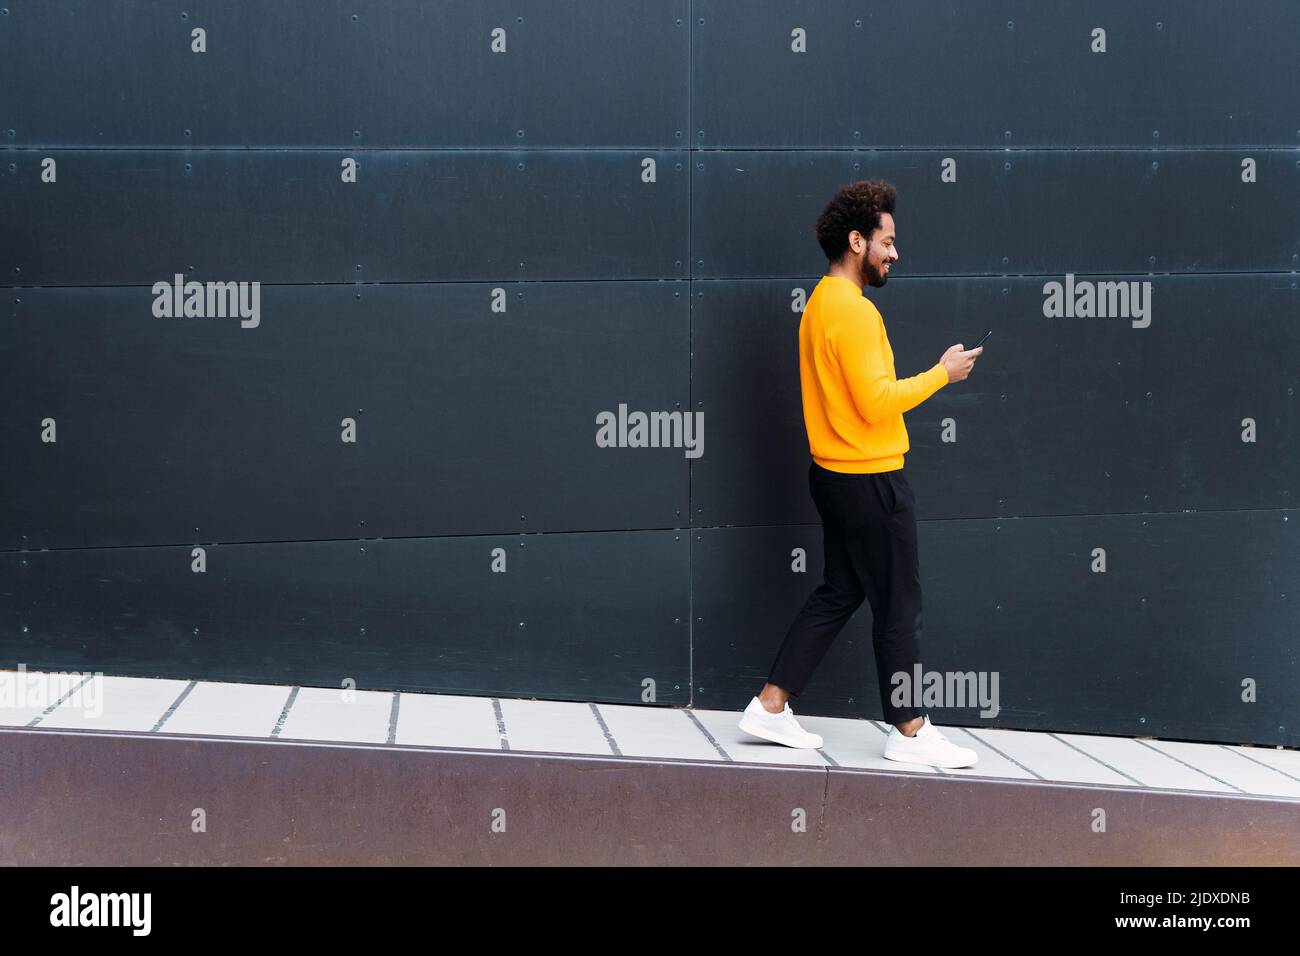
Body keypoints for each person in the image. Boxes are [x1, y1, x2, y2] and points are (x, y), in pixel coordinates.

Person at [737, 180, 981, 768]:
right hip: (871, 480)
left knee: (841, 590)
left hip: (834, 477)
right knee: (899, 603)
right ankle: (910, 729)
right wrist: (942, 374)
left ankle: (769, 708)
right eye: (887, 241)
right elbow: (875, 402)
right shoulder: (853, 311)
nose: (895, 253)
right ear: (857, 241)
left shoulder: (821, 302)